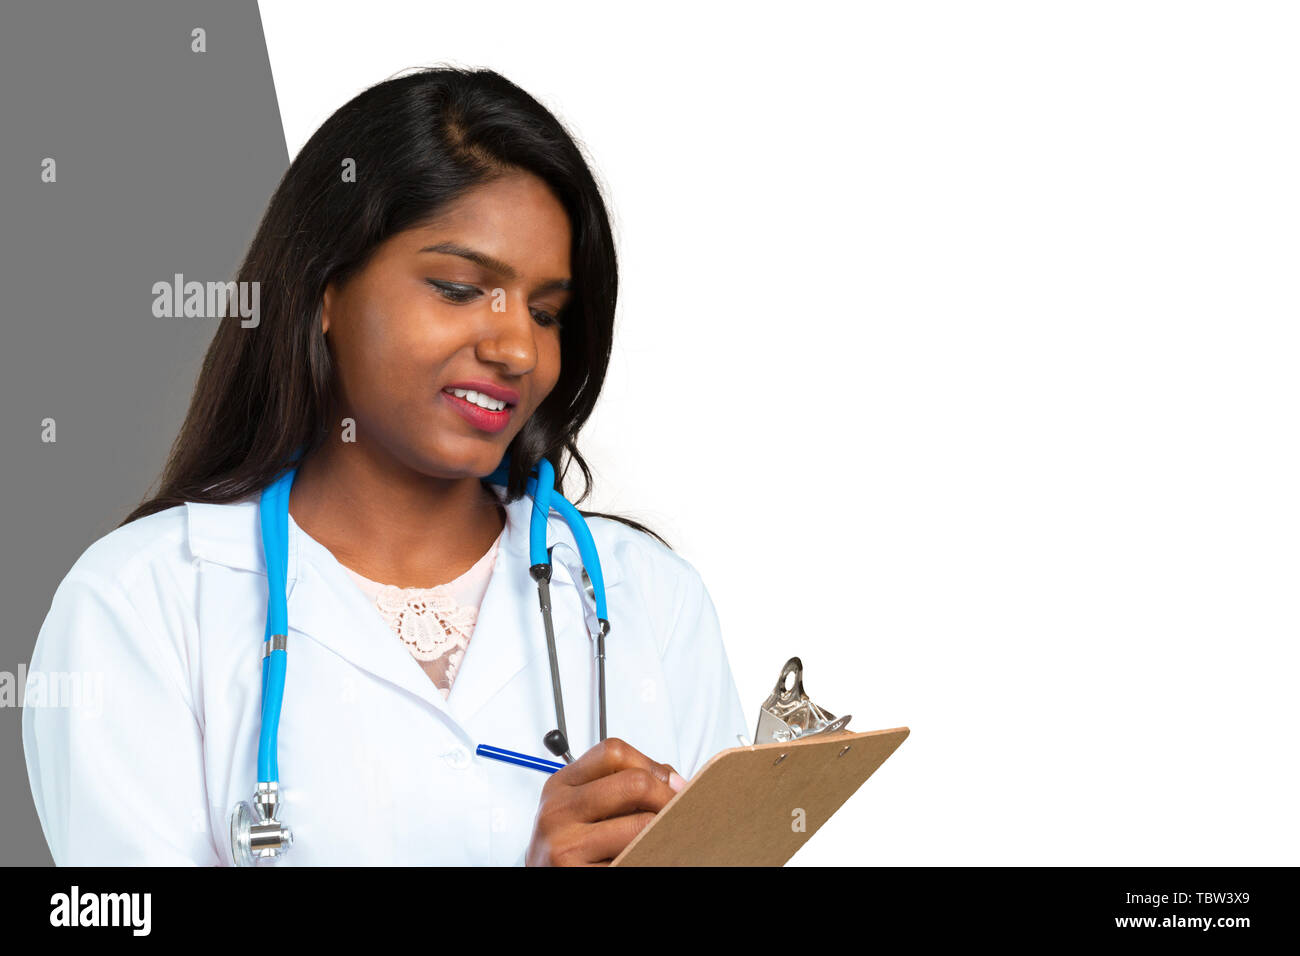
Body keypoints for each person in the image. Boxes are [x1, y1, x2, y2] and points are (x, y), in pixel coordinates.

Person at [21, 66, 748, 866]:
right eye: (459, 288)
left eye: (546, 312)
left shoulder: (651, 600)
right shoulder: (144, 605)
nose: (517, 348)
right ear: (324, 291)